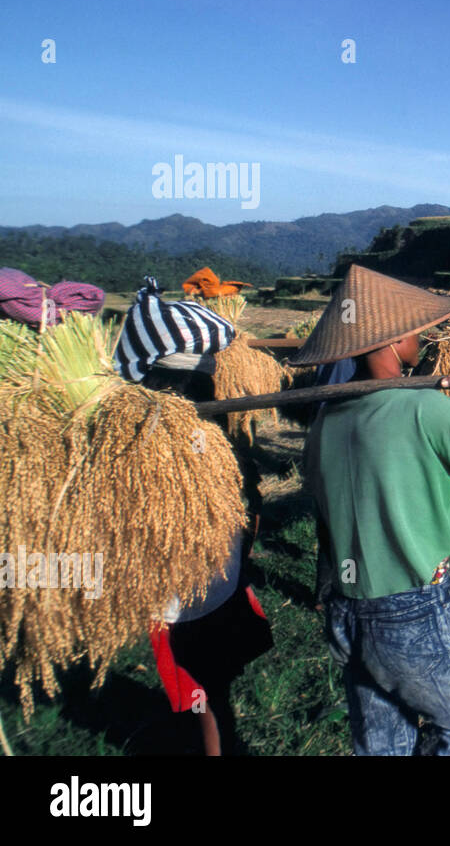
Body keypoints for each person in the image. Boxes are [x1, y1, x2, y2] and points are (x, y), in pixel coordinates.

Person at [292, 265, 450, 756]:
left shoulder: (325, 425)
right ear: (392, 337)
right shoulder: (429, 409)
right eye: (415, 328)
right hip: (413, 613)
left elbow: (325, 519)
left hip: (348, 612)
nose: (422, 336)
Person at [113, 278, 273, 755]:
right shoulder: (202, 435)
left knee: (205, 690)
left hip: (191, 593)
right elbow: (250, 502)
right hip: (202, 588)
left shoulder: (152, 437)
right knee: (211, 686)